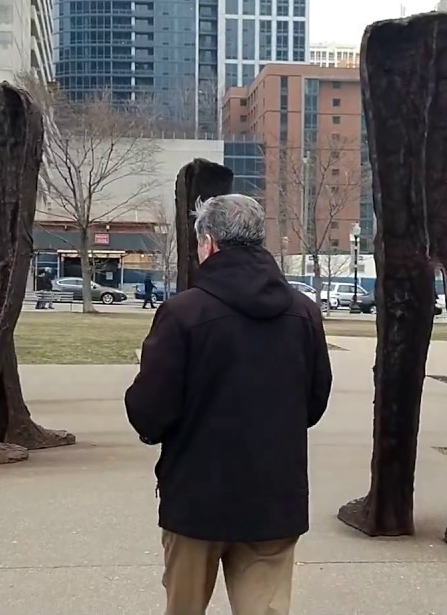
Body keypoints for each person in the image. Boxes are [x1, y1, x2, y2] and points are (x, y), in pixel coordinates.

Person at [125, 194, 333, 615]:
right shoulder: (304, 313)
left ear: (210, 243)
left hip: (196, 497)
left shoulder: (182, 312)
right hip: (274, 497)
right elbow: (314, 402)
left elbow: (150, 410)